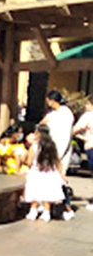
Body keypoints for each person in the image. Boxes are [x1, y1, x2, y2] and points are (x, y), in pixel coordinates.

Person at [42, 90, 75, 220]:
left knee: (60, 179)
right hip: (50, 150)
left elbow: (64, 134)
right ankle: (48, 207)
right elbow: (43, 124)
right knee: (47, 179)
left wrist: (58, 154)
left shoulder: (66, 113)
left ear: (52, 100)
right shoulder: (52, 114)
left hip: (61, 150)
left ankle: (67, 207)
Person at [24, 124, 66, 223]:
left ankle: (33, 211)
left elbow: (29, 161)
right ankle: (46, 212)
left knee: (34, 190)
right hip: (50, 171)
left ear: (38, 133)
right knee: (48, 191)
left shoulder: (34, 146)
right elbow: (57, 160)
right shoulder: (52, 146)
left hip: (36, 171)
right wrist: (62, 174)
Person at [72, 95, 93, 211]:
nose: (85, 106)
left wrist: (81, 137)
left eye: (87, 104)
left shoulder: (88, 116)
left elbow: (76, 129)